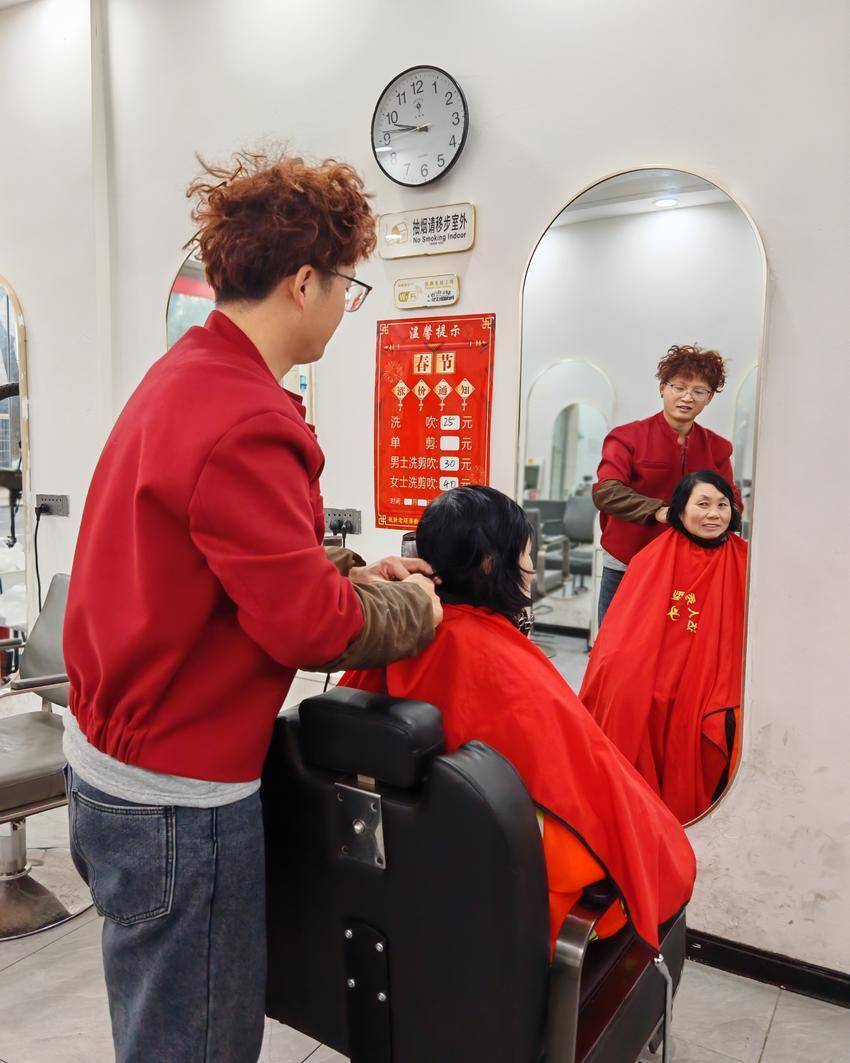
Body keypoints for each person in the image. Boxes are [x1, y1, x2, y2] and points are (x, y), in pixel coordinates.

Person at [62, 150, 442, 1063]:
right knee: (195, 1043)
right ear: (305, 282)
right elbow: (310, 623)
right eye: (347, 288)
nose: (344, 308)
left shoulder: (184, 376)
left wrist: (353, 570)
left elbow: (233, 553)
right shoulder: (248, 417)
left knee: (157, 1024)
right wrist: (417, 609)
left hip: (112, 764)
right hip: (177, 800)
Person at [341, 486, 696, 953]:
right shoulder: (499, 664)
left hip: (410, 869)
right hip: (505, 887)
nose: (530, 568)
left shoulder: (398, 637)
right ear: (493, 564)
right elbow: (587, 793)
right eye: (526, 554)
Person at [580, 471, 747, 824]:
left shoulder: (747, 562)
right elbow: (622, 639)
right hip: (657, 673)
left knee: (720, 721)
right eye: (703, 504)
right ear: (679, 510)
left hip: (717, 679)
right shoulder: (651, 559)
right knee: (632, 700)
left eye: (722, 505)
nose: (714, 514)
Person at [593, 344, 740, 626]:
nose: (687, 397)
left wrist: (719, 513)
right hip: (627, 561)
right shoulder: (626, 438)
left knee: (674, 646)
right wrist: (660, 511)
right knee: (615, 643)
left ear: (709, 398)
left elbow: (732, 503)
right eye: (679, 387)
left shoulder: (718, 448)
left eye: (699, 391)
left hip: (690, 567)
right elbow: (606, 492)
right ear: (663, 388)